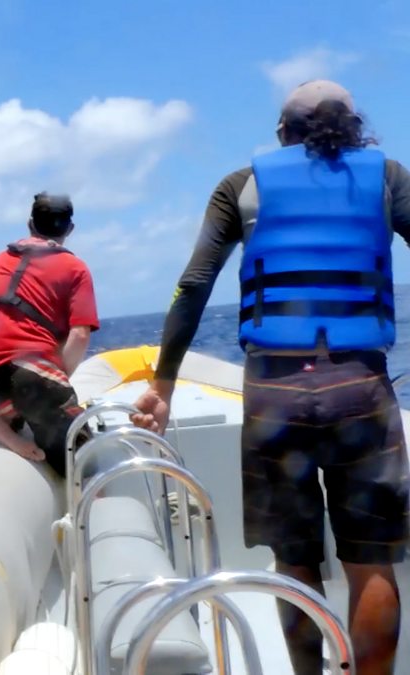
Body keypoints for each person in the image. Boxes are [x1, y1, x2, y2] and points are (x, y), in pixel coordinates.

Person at [130, 80, 410, 674]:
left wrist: (164, 384)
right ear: (356, 128)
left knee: (296, 562)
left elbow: (193, 285)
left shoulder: (242, 186)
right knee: (371, 562)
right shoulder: (388, 178)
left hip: (273, 398)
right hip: (361, 388)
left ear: (282, 132)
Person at [0, 192, 100, 477]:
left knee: (25, 397)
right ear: (70, 230)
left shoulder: (2, 258)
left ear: (30, 224)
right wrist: (58, 375)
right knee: (89, 470)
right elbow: (79, 336)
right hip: (33, 380)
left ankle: (0, 420)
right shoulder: (75, 268)